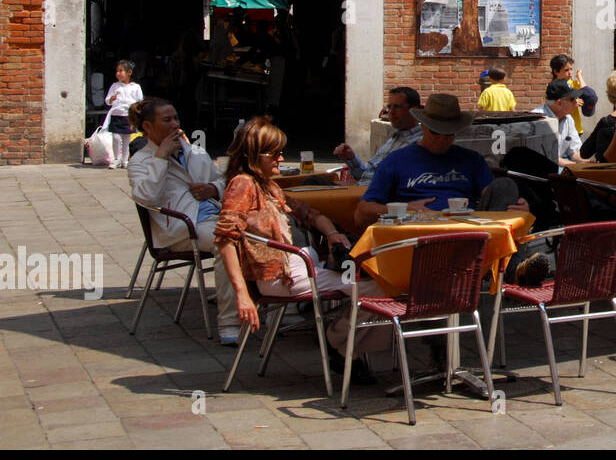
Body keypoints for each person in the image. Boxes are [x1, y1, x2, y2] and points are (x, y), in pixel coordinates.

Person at [213, 117, 387, 383]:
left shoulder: (266, 185)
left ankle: (342, 344)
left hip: (297, 269)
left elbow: (307, 212)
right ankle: (339, 342)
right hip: (279, 277)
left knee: (369, 280)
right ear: (255, 155)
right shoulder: (243, 185)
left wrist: (331, 234)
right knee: (380, 290)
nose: (281, 159)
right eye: (276, 154)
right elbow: (225, 239)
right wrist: (242, 295)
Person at [127, 97, 239, 344]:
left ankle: (283, 308)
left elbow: (225, 181)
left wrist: (212, 188)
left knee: (271, 231)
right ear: (147, 127)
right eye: (167, 120)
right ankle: (229, 323)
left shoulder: (196, 152)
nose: (175, 124)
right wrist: (161, 157)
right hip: (181, 230)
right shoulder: (140, 162)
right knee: (227, 243)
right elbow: (146, 197)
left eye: (176, 118)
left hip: (215, 217)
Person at [356, 94, 525, 226]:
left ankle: (509, 263)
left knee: (506, 185)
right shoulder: (396, 160)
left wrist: (515, 207)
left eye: (448, 134)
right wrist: (406, 209)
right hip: (416, 232)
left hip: (468, 230)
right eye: (436, 133)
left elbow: (494, 195)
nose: (442, 140)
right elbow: (362, 212)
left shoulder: (471, 159)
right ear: (423, 126)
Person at [333, 87, 422, 182]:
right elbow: (366, 175)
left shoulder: (419, 143)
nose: (391, 112)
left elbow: (385, 182)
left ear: (414, 111)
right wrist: (350, 158)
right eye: (389, 107)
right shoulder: (394, 139)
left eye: (397, 107)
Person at [533, 79, 585, 167]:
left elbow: (575, 152)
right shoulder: (538, 120)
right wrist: (576, 166)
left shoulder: (568, 119)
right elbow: (548, 157)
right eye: (572, 99)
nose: (576, 102)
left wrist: (589, 163)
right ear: (559, 103)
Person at [105, 60, 143, 169]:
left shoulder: (135, 87)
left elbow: (140, 102)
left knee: (126, 138)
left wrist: (136, 115)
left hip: (128, 117)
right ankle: (116, 159)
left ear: (129, 72)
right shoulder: (114, 86)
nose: (118, 73)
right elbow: (107, 100)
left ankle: (125, 160)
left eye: (121, 71)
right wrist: (111, 99)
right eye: (117, 71)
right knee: (116, 137)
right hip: (116, 115)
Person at [551, 54, 594, 135]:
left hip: (577, 129)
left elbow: (588, 93)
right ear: (556, 71)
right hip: (562, 131)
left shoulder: (573, 83)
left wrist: (579, 76)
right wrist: (572, 104)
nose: (570, 73)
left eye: (571, 69)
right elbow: (554, 110)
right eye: (566, 70)